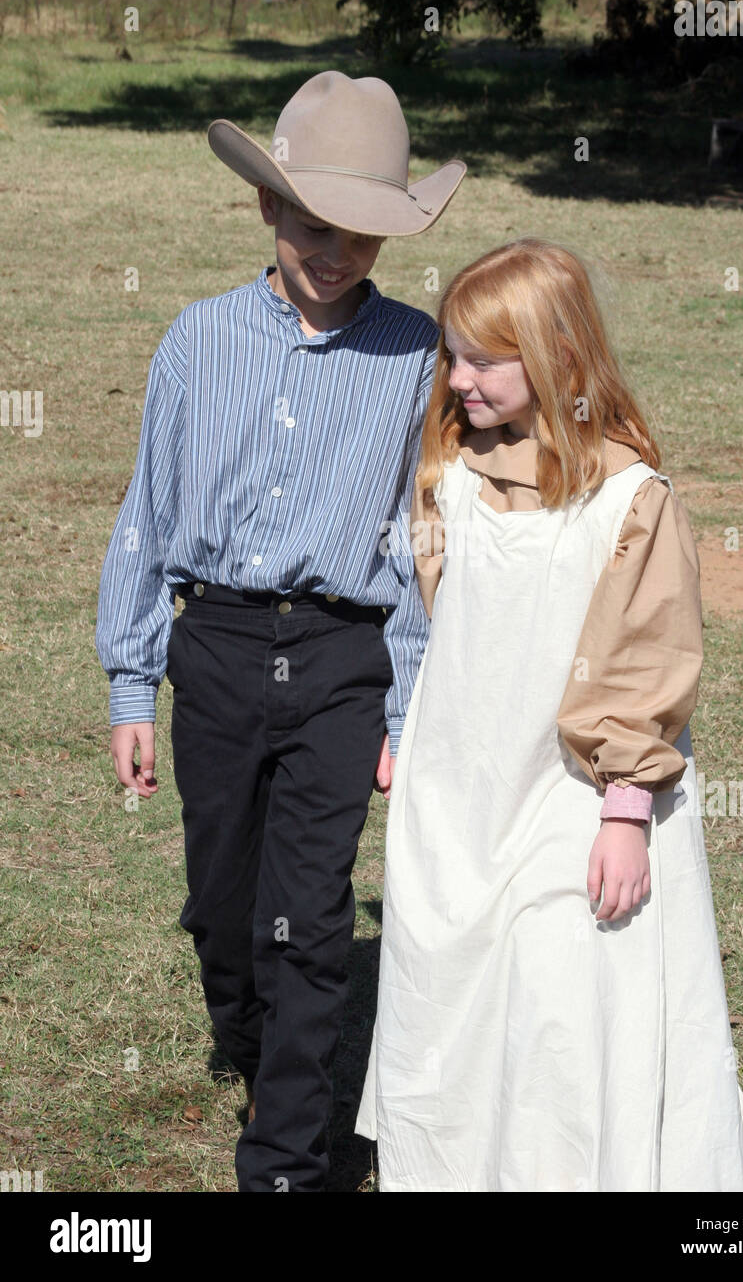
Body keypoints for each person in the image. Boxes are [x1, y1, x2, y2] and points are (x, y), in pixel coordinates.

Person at [94, 71, 466, 1191]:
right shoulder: (197, 341)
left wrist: (404, 705)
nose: (338, 252)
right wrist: (129, 681)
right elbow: (146, 514)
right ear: (267, 208)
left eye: (364, 234)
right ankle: (254, 1043)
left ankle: (288, 1156)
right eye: (316, 225)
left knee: (306, 915)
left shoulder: (415, 355)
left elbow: (416, 541)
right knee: (224, 909)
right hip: (212, 647)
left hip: (343, 659)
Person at [355, 238, 743, 1192]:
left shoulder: (627, 499)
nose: (456, 378)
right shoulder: (449, 472)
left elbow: (645, 656)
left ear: (554, 355)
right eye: (451, 356)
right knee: (456, 996)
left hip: (575, 797)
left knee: (559, 1007)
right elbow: (434, 613)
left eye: (483, 360)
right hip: (460, 788)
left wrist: (626, 812)